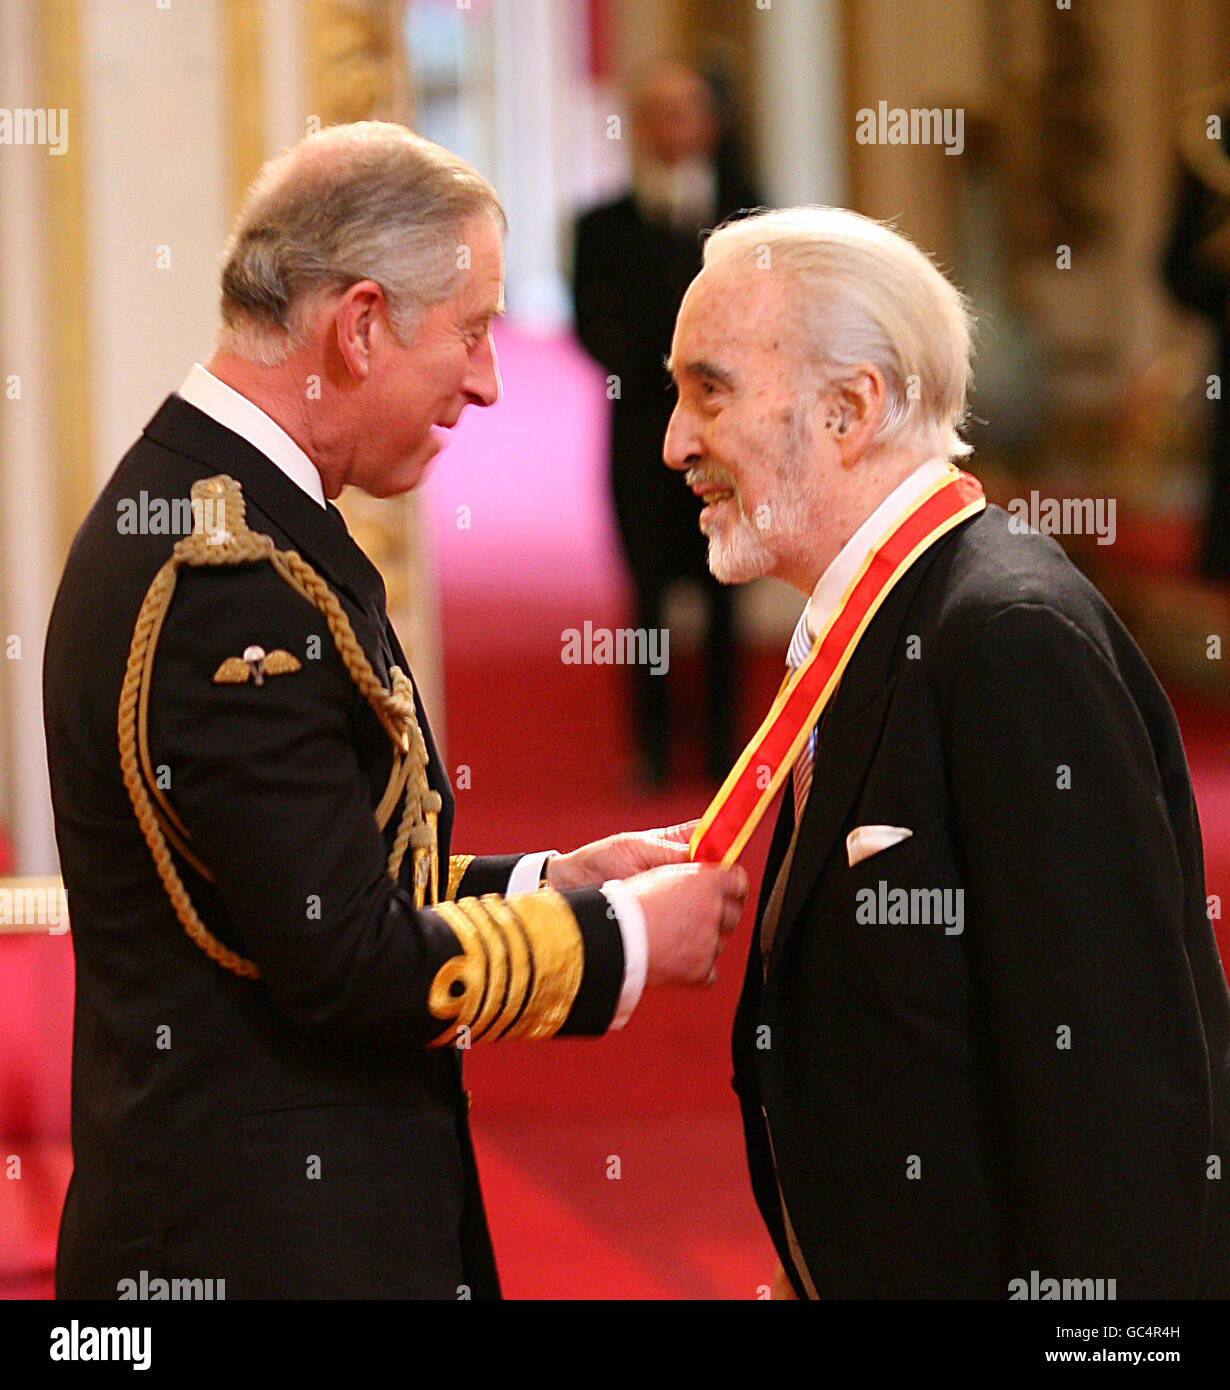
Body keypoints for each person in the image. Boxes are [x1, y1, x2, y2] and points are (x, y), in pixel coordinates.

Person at [42, 122, 747, 1300]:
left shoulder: (243, 516)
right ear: (360, 326)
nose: (490, 379)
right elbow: (345, 959)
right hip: (252, 1249)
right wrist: (622, 939)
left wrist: (552, 880)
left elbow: (315, 876)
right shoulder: (226, 581)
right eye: (471, 331)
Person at [665, 206, 1230, 1298]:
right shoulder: (882, 621)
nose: (676, 441)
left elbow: (1116, 1095)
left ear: (849, 408)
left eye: (711, 391)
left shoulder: (1008, 636)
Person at [573, 59, 760, 786]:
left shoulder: (751, 217)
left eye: (685, 110)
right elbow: (591, 326)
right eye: (657, 111)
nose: (671, 126)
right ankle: (651, 750)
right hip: (640, 431)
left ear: (710, 124)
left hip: (731, 431)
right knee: (646, 588)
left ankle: (723, 747)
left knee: (725, 586)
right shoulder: (602, 225)